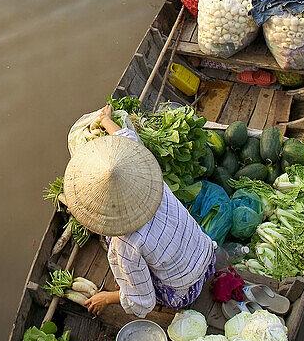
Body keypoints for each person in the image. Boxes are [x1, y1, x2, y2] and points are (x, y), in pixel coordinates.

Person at [64, 105, 217, 319]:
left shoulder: (125, 242)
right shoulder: (149, 180)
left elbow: (142, 301)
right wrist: (107, 120)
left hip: (185, 291)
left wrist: (106, 298)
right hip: (208, 256)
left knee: (113, 246)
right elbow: (127, 139)